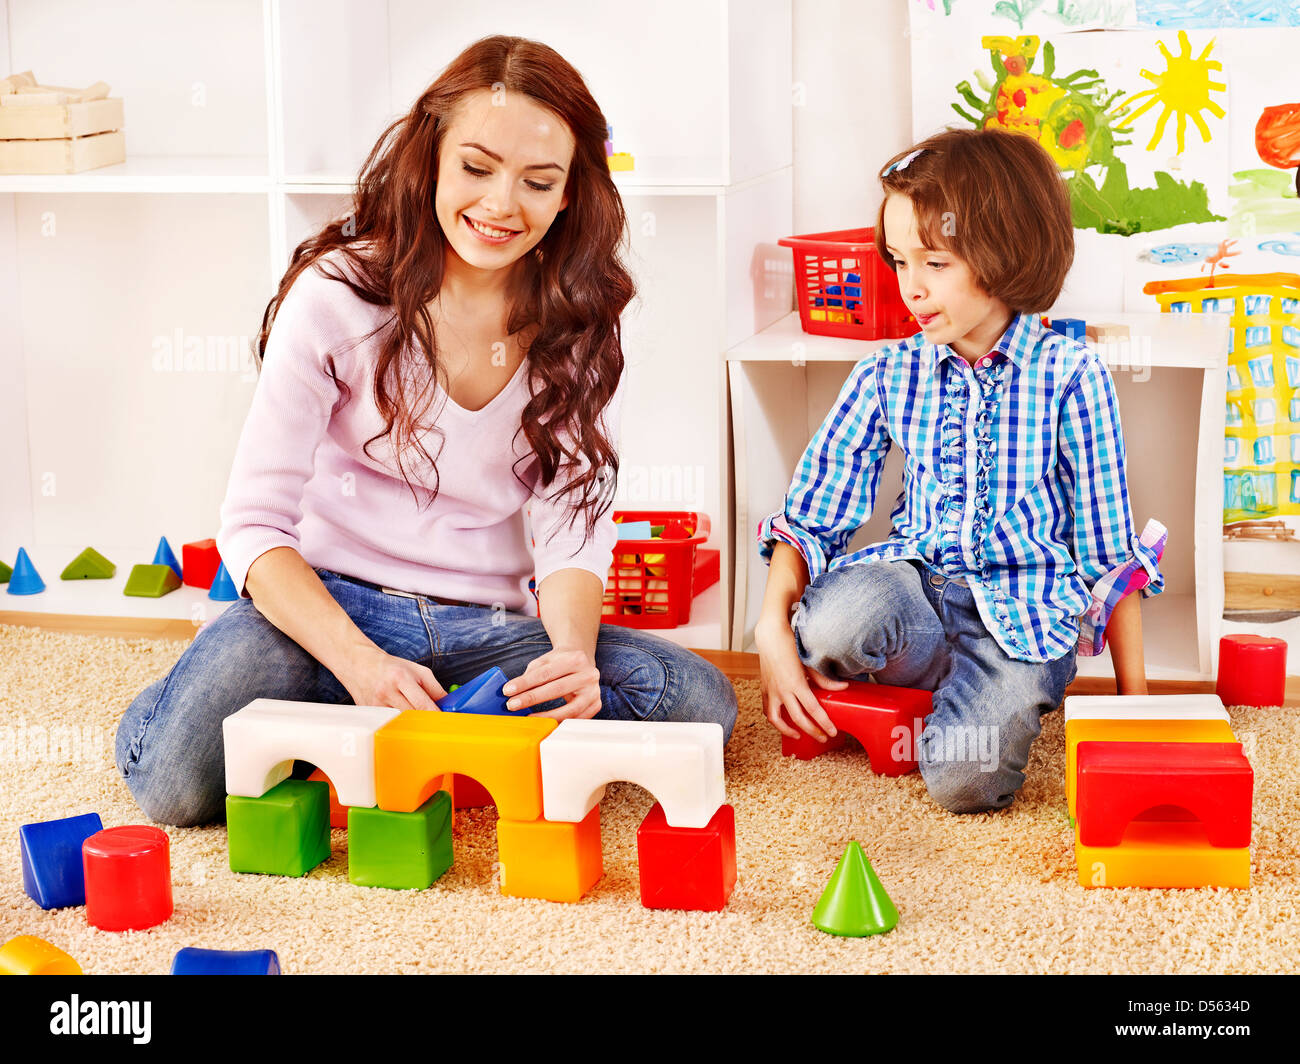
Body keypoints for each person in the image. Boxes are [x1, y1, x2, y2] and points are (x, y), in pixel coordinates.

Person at [115, 35, 738, 828]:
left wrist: (573, 655)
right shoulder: (337, 296)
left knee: (698, 704)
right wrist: (363, 664)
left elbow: (570, 528)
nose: (501, 205)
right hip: (331, 612)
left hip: (490, 624)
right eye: (477, 168)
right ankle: (343, 705)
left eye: (537, 181)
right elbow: (253, 525)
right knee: (173, 788)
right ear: (433, 157)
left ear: (569, 195)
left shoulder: (579, 318)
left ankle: (365, 729)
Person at [754, 128, 1163, 813]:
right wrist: (770, 627)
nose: (910, 288)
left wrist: (1138, 709)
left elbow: (1107, 555)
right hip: (917, 593)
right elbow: (813, 515)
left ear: (1005, 252)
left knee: (965, 785)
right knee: (829, 627)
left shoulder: (1071, 375)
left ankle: (983, 690)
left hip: (1024, 617)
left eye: (934, 263)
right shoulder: (887, 370)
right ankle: (940, 682)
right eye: (897, 261)